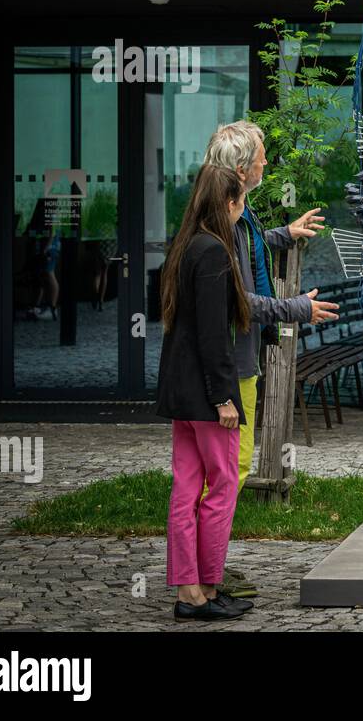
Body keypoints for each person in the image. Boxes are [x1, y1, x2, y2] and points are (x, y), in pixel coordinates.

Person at [202, 120, 339, 598]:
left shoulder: (236, 215)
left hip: (237, 363)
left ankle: (206, 570)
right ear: (242, 169)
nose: (266, 162)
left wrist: (285, 232)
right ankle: (205, 574)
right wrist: (296, 308)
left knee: (223, 472)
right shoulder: (224, 224)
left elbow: (253, 251)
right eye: (261, 156)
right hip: (231, 368)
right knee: (228, 471)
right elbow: (240, 299)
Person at [156, 165, 253, 621]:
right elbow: (215, 337)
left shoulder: (184, 246)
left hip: (180, 393)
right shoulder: (214, 251)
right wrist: (223, 399)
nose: (243, 207)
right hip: (207, 396)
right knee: (223, 486)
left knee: (186, 490)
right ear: (229, 203)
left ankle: (188, 593)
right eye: (241, 201)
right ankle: (209, 588)